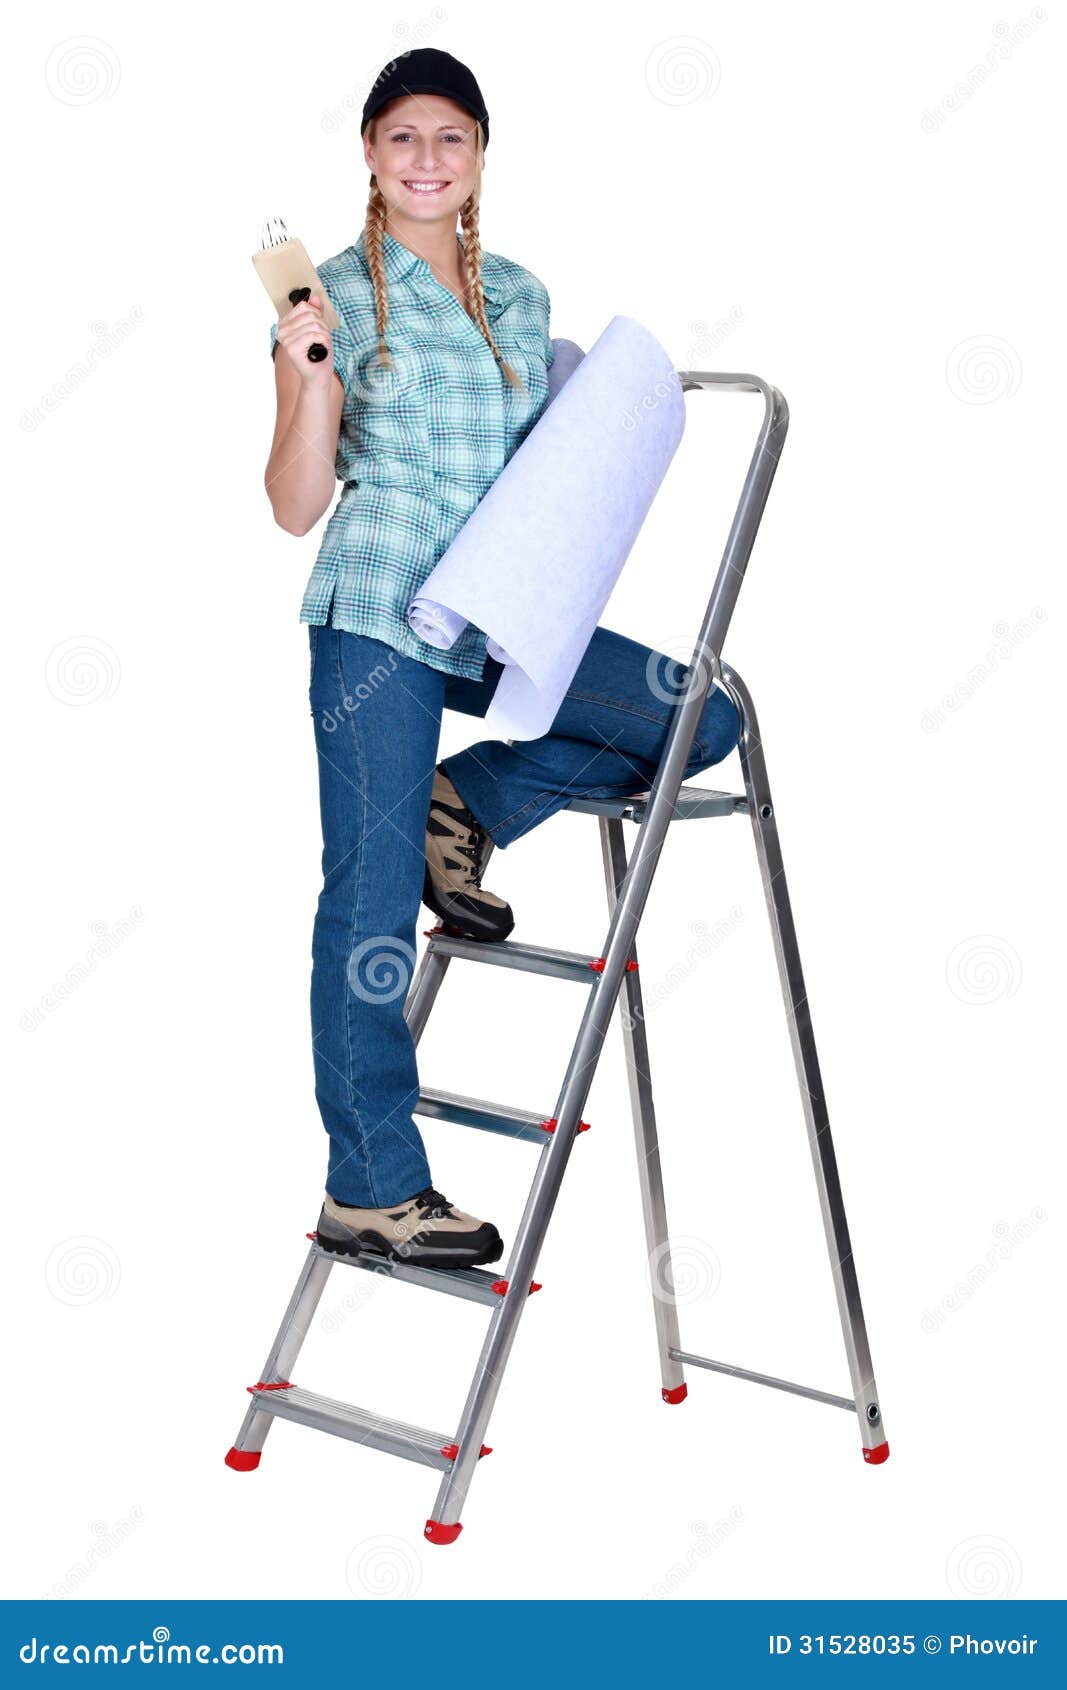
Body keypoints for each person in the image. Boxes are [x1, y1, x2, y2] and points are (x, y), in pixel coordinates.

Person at [264, 48, 740, 1272]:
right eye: (403, 136)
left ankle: (465, 800)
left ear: (479, 158)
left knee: (697, 714)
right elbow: (293, 503)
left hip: (503, 598)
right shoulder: (329, 295)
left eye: (451, 139)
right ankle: (372, 1182)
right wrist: (305, 382)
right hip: (380, 608)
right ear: (368, 151)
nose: (427, 159)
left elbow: (553, 472)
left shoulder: (521, 296)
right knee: (365, 904)